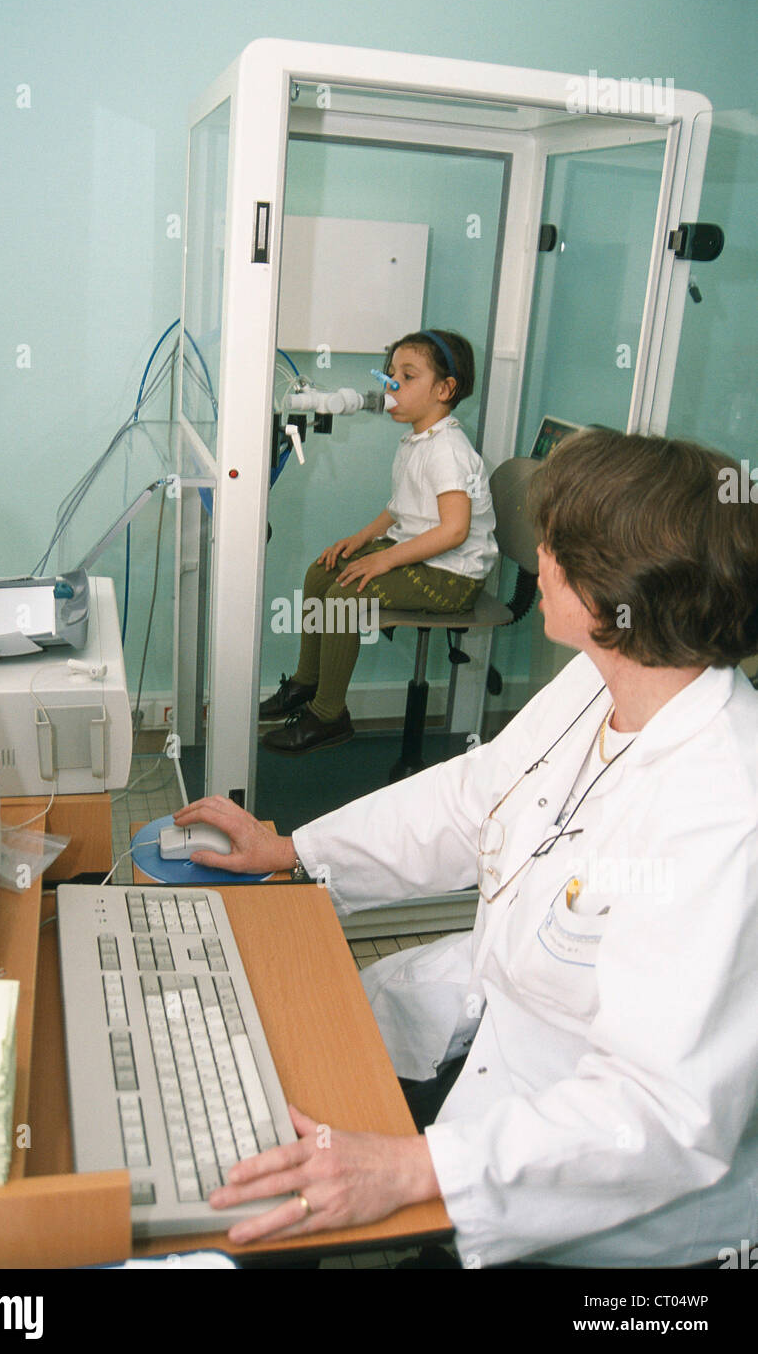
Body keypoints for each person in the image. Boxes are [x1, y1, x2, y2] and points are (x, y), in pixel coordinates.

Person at [173, 428, 758, 1268]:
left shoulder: (725, 809)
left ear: (611, 591)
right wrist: (293, 850)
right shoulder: (604, 676)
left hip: (609, 1214)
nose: (540, 558)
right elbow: (476, 798)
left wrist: (415, 1168)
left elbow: (661, 1114)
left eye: (555, 544)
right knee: (267, 1081)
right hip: (499, 1049)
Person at [259, 328, 497, 754]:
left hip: (452, 575)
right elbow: (400, 509)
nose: (391, 387)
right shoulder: (417, 440)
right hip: (423, 555)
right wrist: (360, 539)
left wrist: (383, 561)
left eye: (407, 377)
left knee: (343, 596)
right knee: (323, 572)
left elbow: (454, 530)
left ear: (446, 389)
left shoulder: (449, 450)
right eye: (390, 375)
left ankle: (329, 716)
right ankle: (307, 683)